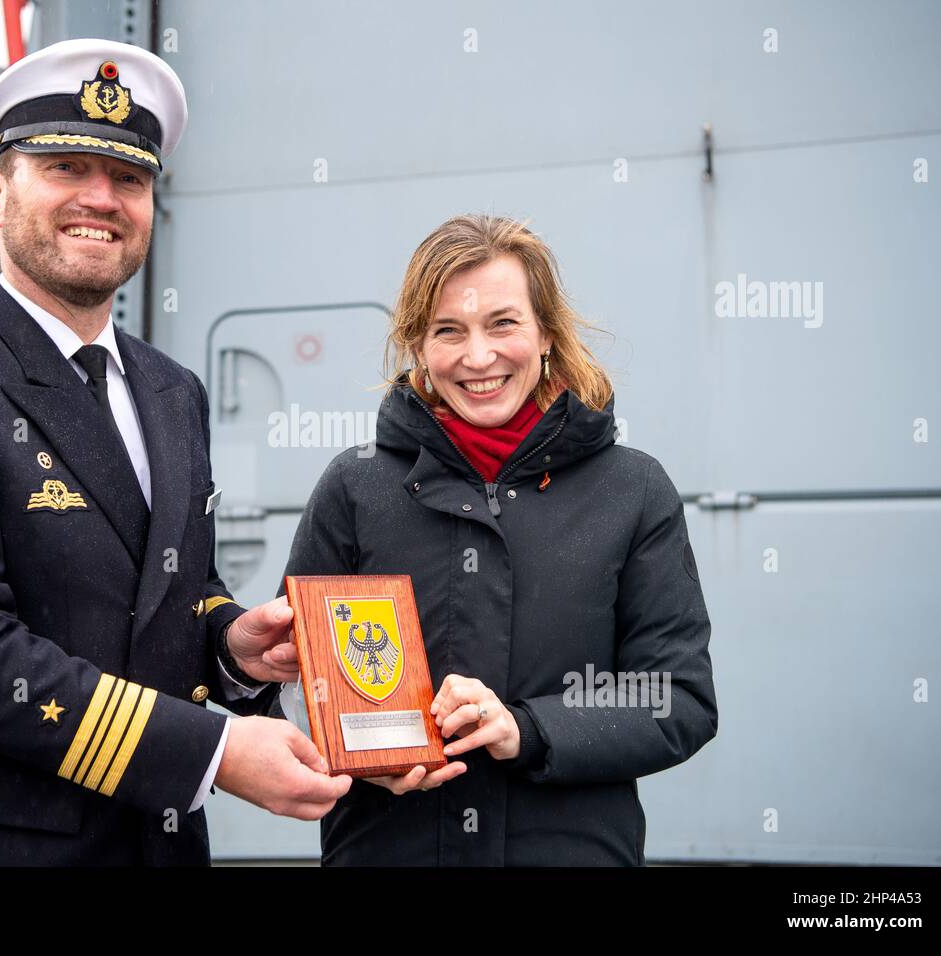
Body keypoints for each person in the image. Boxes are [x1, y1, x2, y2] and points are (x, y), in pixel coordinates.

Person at [0, 38, 349, 867]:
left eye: (129, 178)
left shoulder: (173, 391)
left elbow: (173, 587)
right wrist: (214, 752)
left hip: (157, 847)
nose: (102, 199)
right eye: (68, 169)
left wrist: (231, 643)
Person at [281, 214, 718, 865]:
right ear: (418, 347)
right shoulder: (357, 486)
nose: (478, 356)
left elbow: (677, 699)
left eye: (503, 324)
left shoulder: (633, 489)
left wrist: (529, 729)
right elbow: (294, 681)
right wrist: (353, 753)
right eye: (448, 331)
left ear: (545, 333)